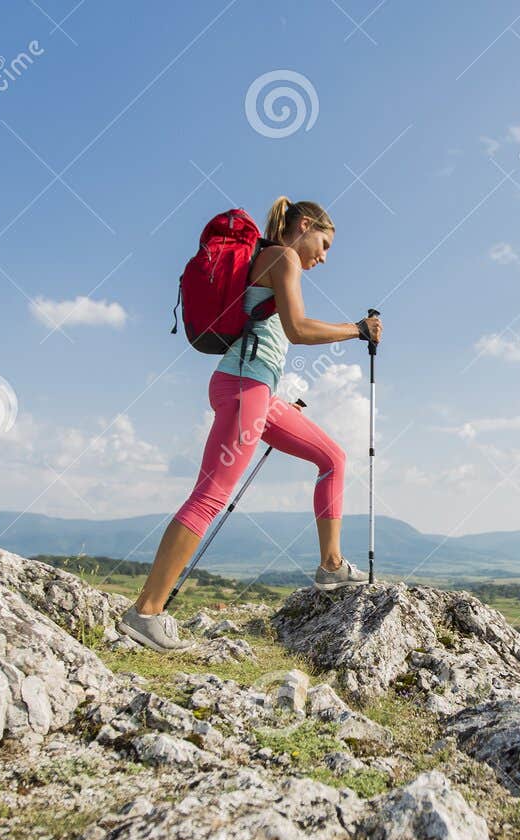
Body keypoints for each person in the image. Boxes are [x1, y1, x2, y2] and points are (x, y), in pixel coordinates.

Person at [120, 197, 384, 653]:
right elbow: (298, 328)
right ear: (304, 226)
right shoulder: (281, 256)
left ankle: (331, 565)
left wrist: (271, 403)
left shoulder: (272, 259)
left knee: (332, 458)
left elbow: (277, 334)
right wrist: (356, 329)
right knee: (209, 498)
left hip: (255, 390)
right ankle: (146, 613)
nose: (322, 257)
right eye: (323, 244)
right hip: (245, 387)